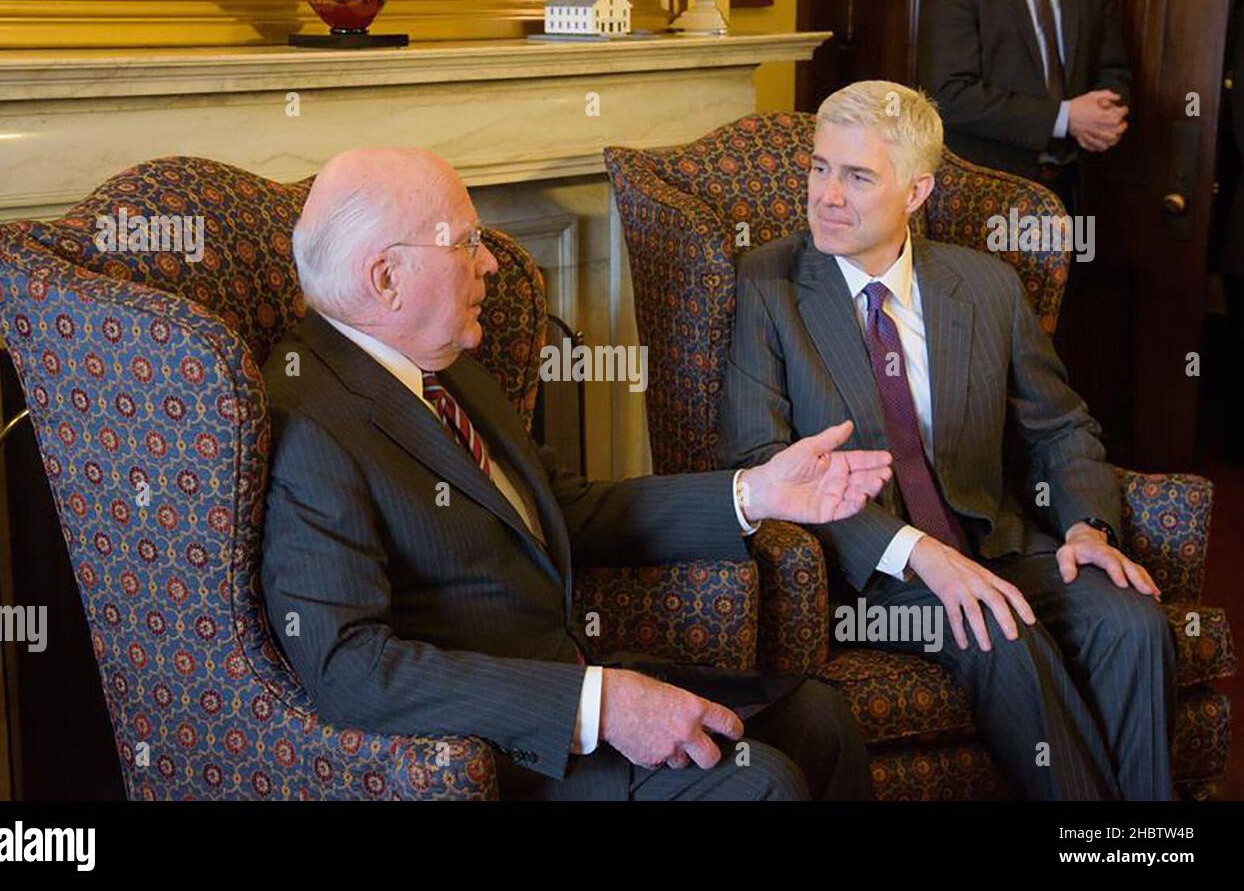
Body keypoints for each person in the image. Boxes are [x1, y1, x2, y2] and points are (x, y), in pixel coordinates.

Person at [259, 147, 891, 800]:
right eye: (466, 241)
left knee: (820, 720)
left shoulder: (442, 365)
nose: (490, 260)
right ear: (386, 278)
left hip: (572, 682)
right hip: (495, 752)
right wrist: (600, 704)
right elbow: (351, 670)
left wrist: (754, 491)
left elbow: (568, 508)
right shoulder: (311, 418)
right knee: (761, 784)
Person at [719, 80, 1176, 800]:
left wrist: (1088, 524)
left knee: (1132, 622)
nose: (827, 195)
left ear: (917, 190)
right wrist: (917, 553)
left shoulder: (985, 286)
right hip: (869, 575)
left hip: (995, 546)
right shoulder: (770, 285)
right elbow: (755, 458)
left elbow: (1059, 424)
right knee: (997, 630)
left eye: (858, 175)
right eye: (818, 167)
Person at [918, 0, 1131, 210]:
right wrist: (1065, 118)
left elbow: (1113, 68)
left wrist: (1104, 116)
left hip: (1073, 188)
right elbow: (950, 95)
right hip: (990, 195)